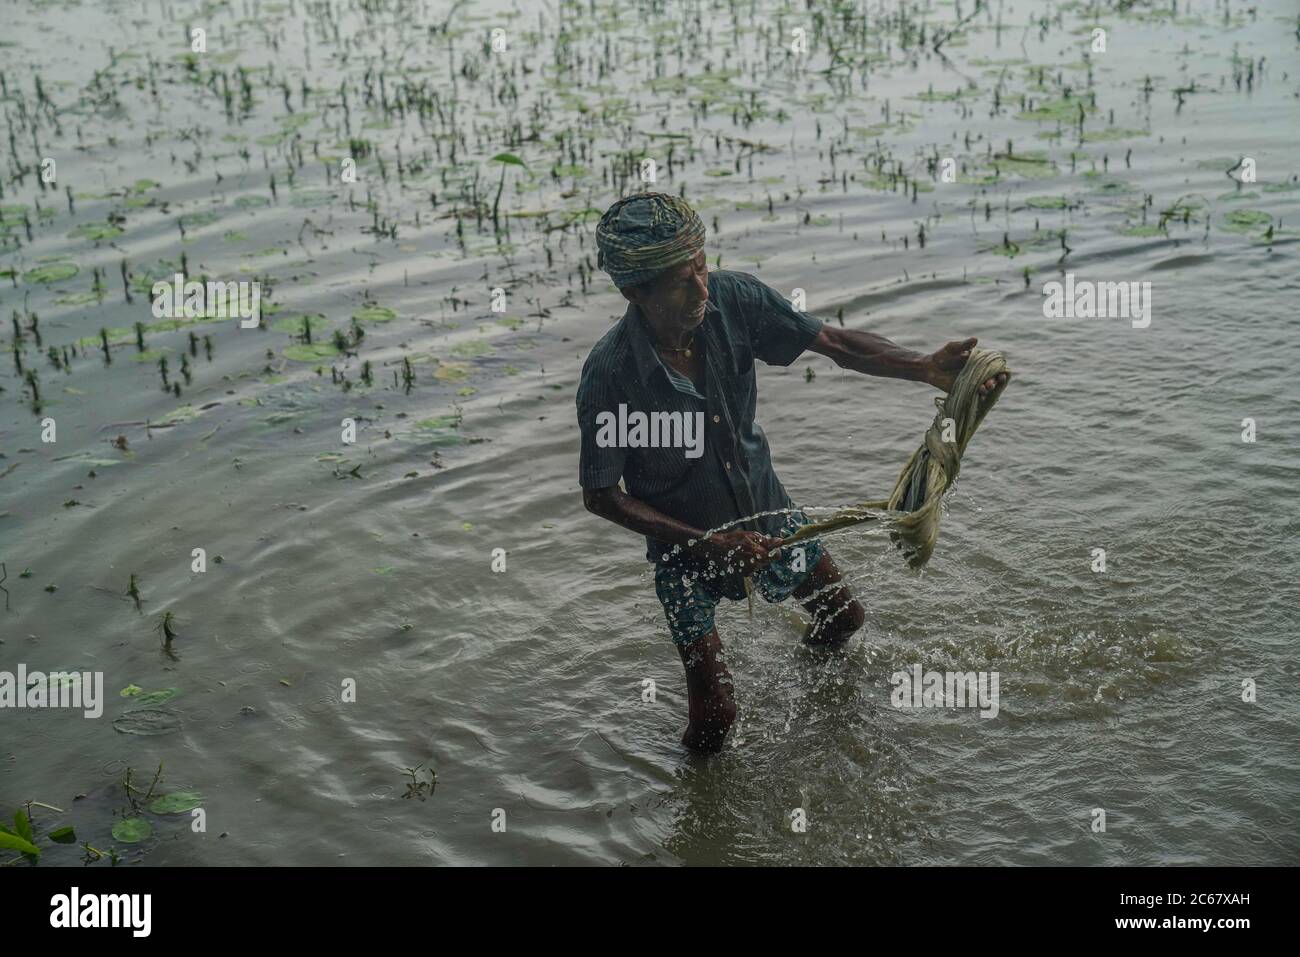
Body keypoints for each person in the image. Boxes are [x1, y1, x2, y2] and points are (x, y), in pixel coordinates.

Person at [575, 192, 1007, 753]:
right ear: (635, 292)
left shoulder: (735, 301)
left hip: (774, 520)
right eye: (682, 282)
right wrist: (707, 543)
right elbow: (602, 496)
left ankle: (816, 711)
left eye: (703, 267)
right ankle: (689, 797)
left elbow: (835, 343)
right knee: (716, 717)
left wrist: (922, 367)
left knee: (843, 620)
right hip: (687, 555)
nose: (702, 289)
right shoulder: (611, 375)